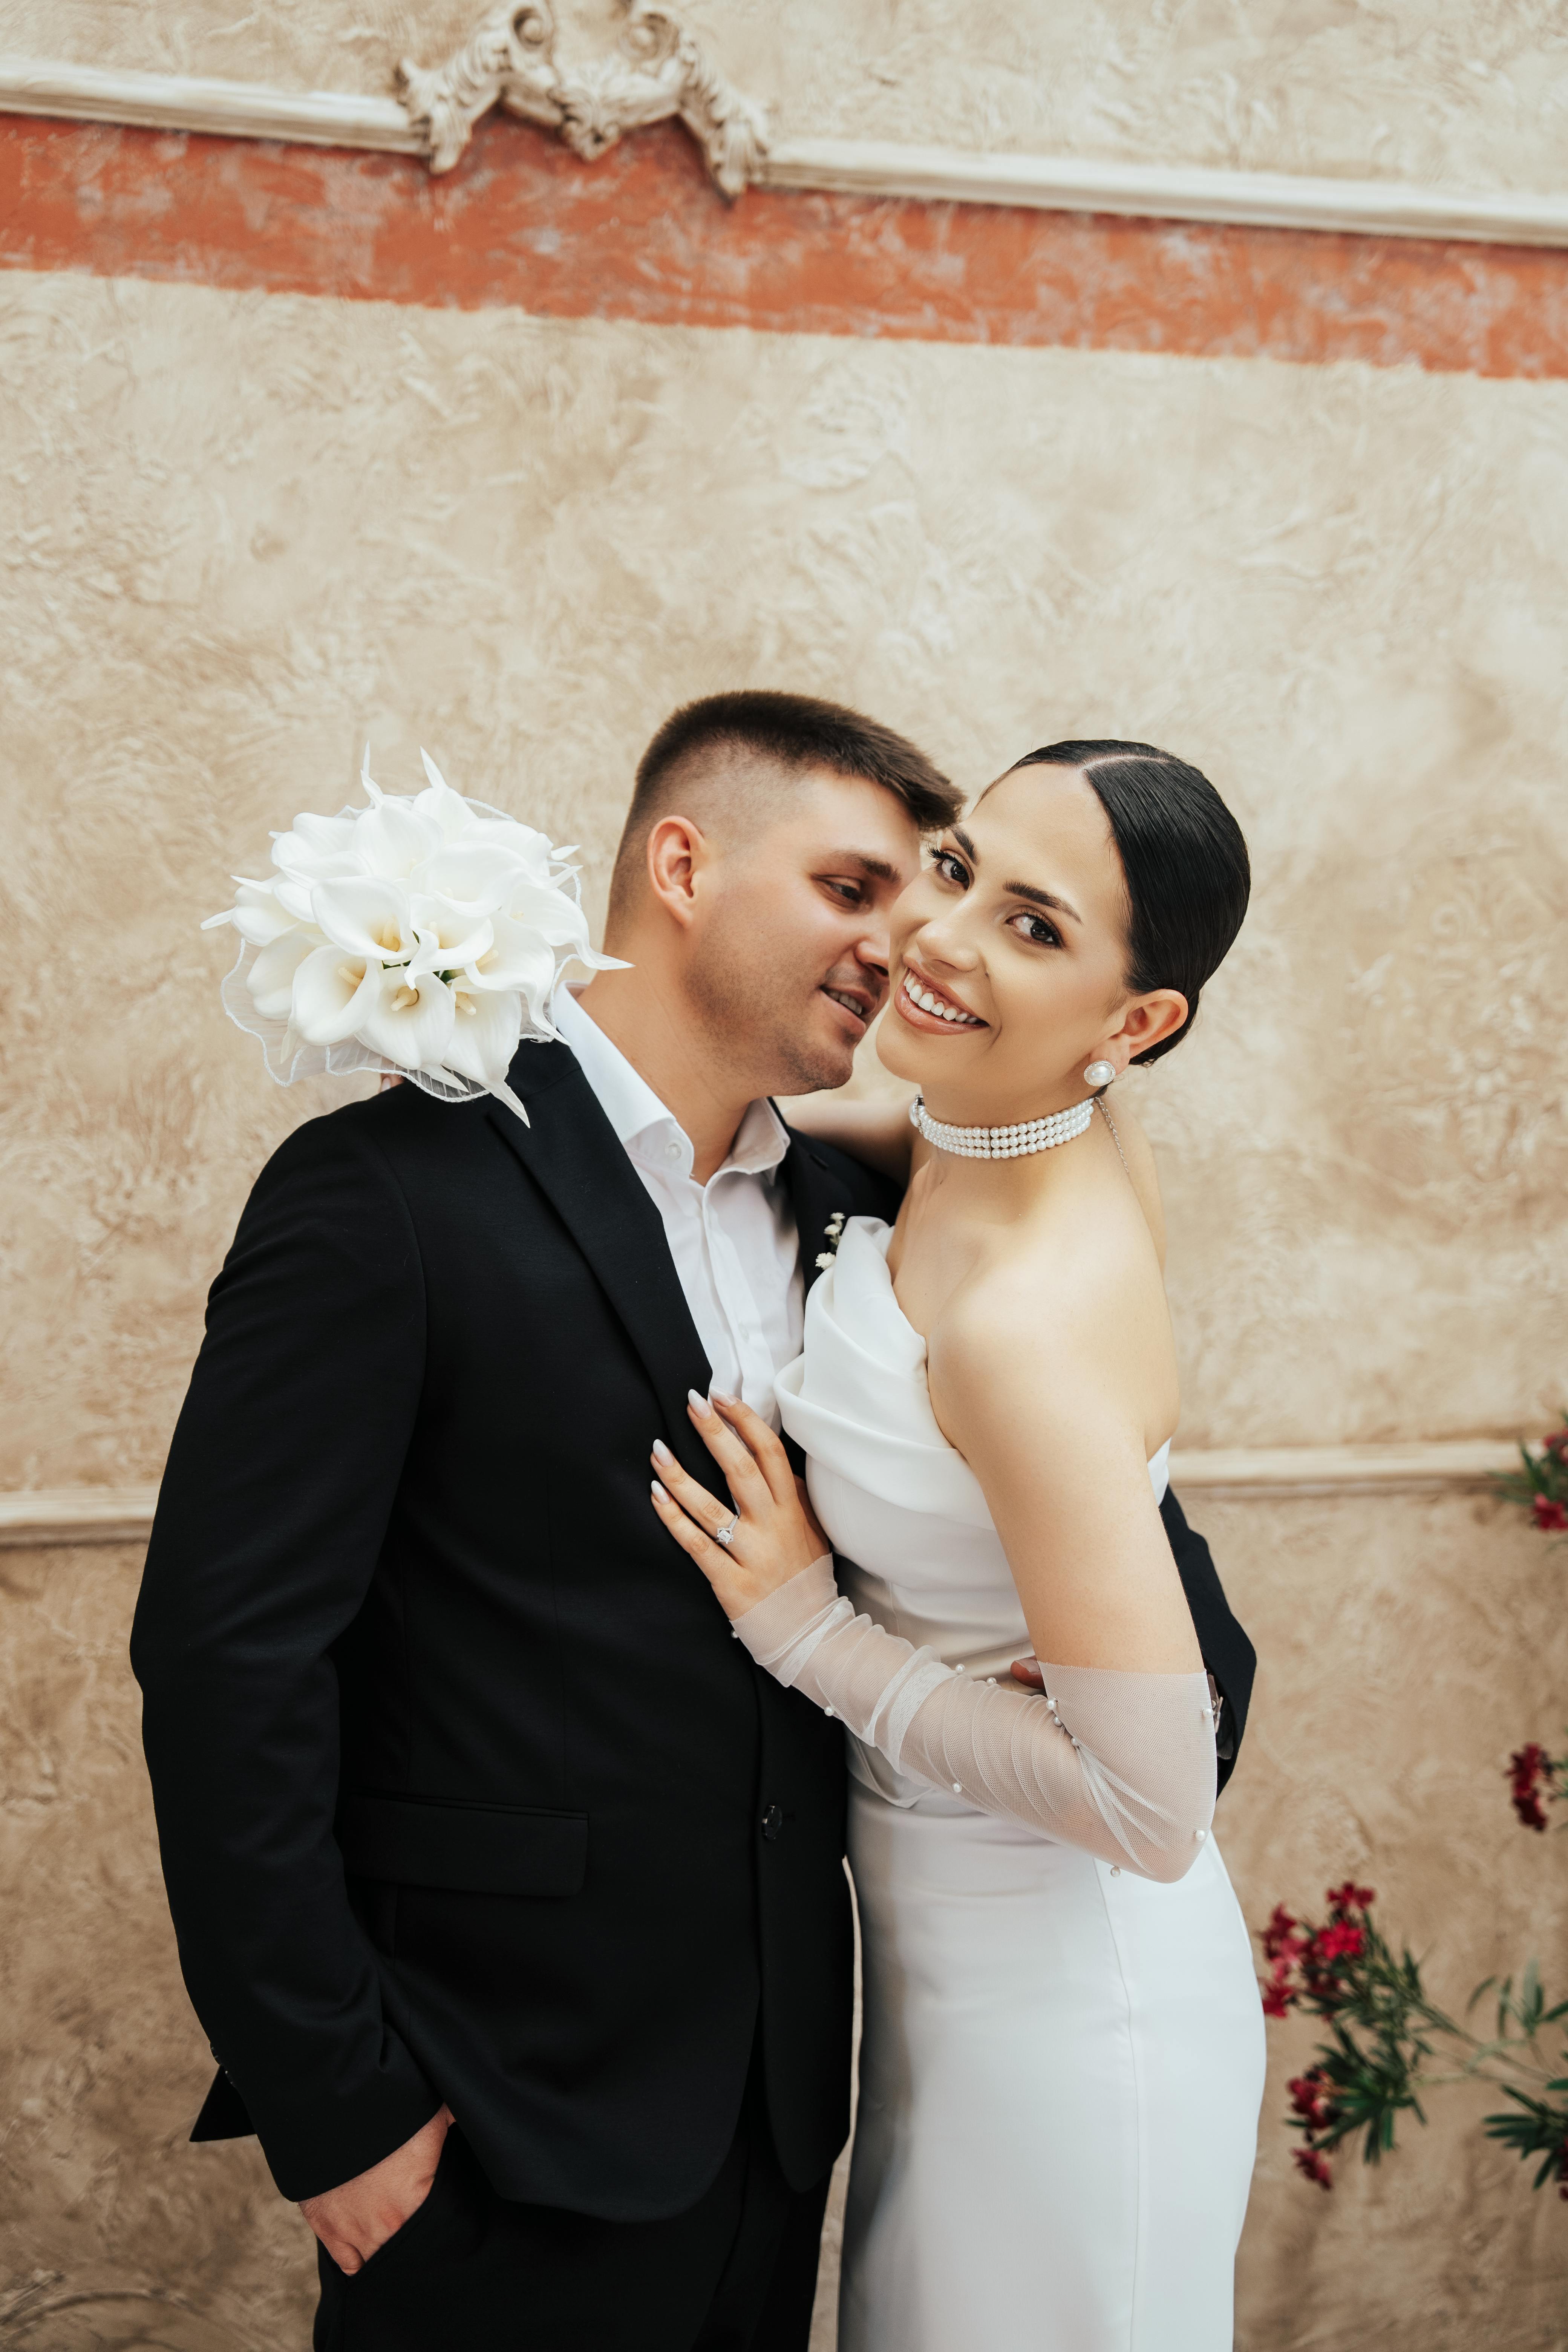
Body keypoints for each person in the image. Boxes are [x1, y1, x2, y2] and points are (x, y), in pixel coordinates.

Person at [131, 700, 1254, 2350]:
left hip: (791, 2108)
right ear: (680, 866)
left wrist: (1131, 1695)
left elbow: (1129, 1549)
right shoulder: (391, 1194)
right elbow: (226, 1664)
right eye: (862, 887)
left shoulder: (865, 1196)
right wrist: (333, 2103)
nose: (907, 939)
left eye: (940, 891)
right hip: (498, 2110)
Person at [650, 741, 1266, 2351]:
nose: (941, 936)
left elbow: (1153, 1807)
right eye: (957, 866)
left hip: (1069, 2001)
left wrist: (807, 1632)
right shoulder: (986, 1128)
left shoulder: (1018, 1329)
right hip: (945, 1972)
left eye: (1034, 927)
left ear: (1136, 1026)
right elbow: (776, 1105)